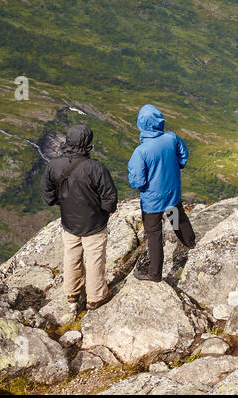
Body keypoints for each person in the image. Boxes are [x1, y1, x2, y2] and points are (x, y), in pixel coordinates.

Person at [41, 123, 118, 312]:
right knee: (94, 260)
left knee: (71, 256)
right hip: (94, 223)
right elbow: (110, 196)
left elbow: (47, 192)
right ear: (88, 144)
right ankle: (96, 297)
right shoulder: (96, 168)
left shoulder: (54, 165)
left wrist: (60, 203)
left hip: (69, 221)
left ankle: (72, 292)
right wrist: (105, 212)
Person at [127, 104, 196, 281]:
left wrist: (144, 187)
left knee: (154, 233)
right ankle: (190, 242)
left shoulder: (141, 151)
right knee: (177, 216)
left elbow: (137, 181)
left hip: (152, 201)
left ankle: (155, 273)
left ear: (141, 124)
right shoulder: (171, 138)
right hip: (172, 191)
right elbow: (183, 158)